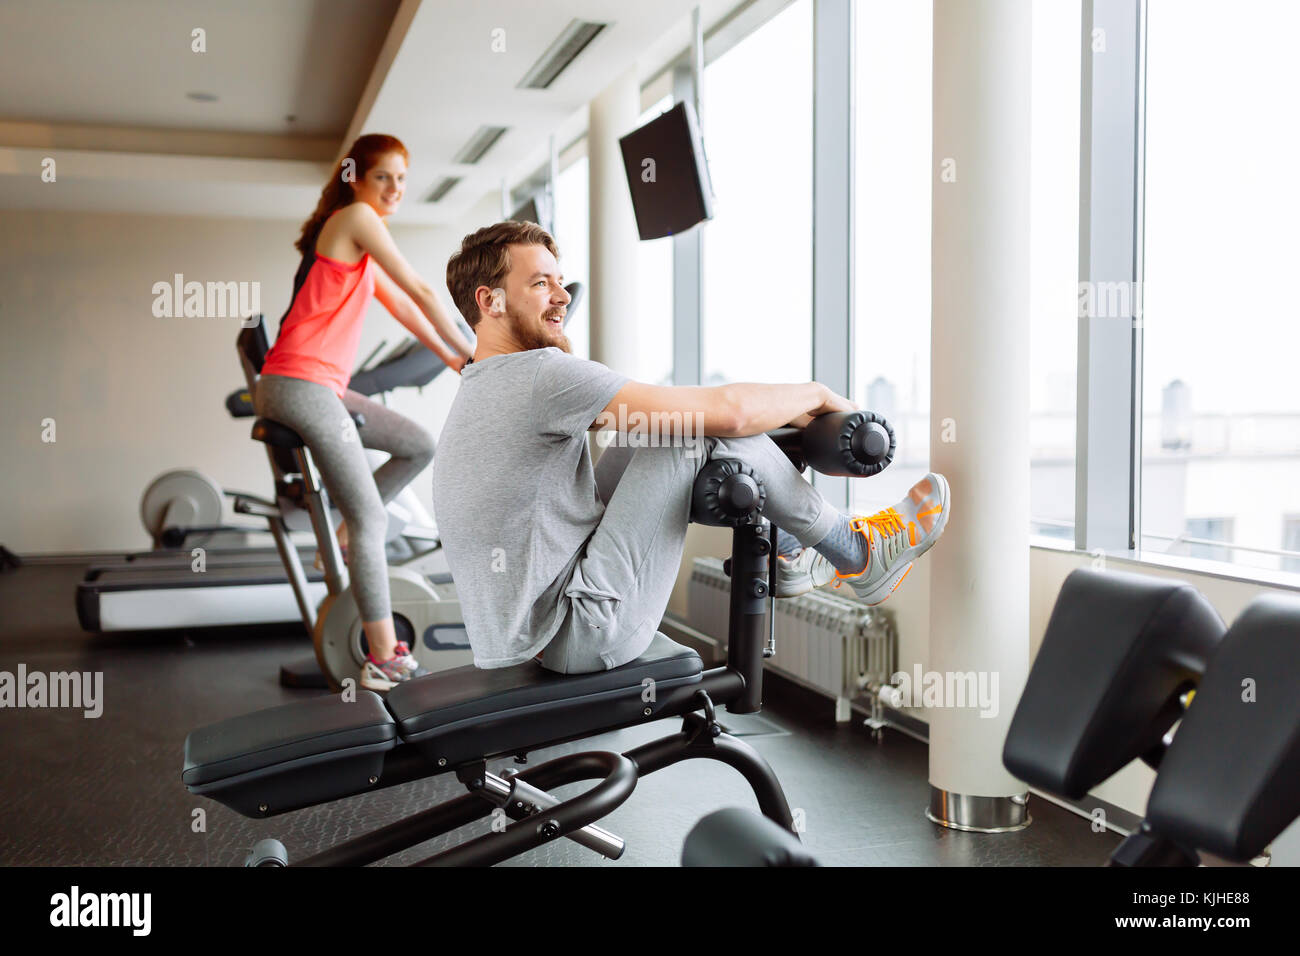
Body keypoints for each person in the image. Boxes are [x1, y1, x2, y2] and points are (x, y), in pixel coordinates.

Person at [433, 221, 950, 674]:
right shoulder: (541, 376)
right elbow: (730, 414)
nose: (564, 296)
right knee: (689, 427)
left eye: (559, 281)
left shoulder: (479, 383)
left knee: (654, 425)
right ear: (489, 301)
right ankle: (855, 551)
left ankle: (790, 554)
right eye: (541, 283)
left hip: (534, 637)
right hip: (580, 634)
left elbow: (675, 414)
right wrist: (815, 395)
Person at [255, 133, 475, 691]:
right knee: (375, 520)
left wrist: (455, 359)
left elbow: (405, 309)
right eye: (384, 177)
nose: (396, 189)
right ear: (356, 179)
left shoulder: (357, 237)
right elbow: (423, 289)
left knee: (418, 444)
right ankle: (383, 658)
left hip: (320, 386)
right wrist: (479, 353)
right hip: (297, 383)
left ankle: (352, 527)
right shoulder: (357, 217)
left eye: (402, 178)